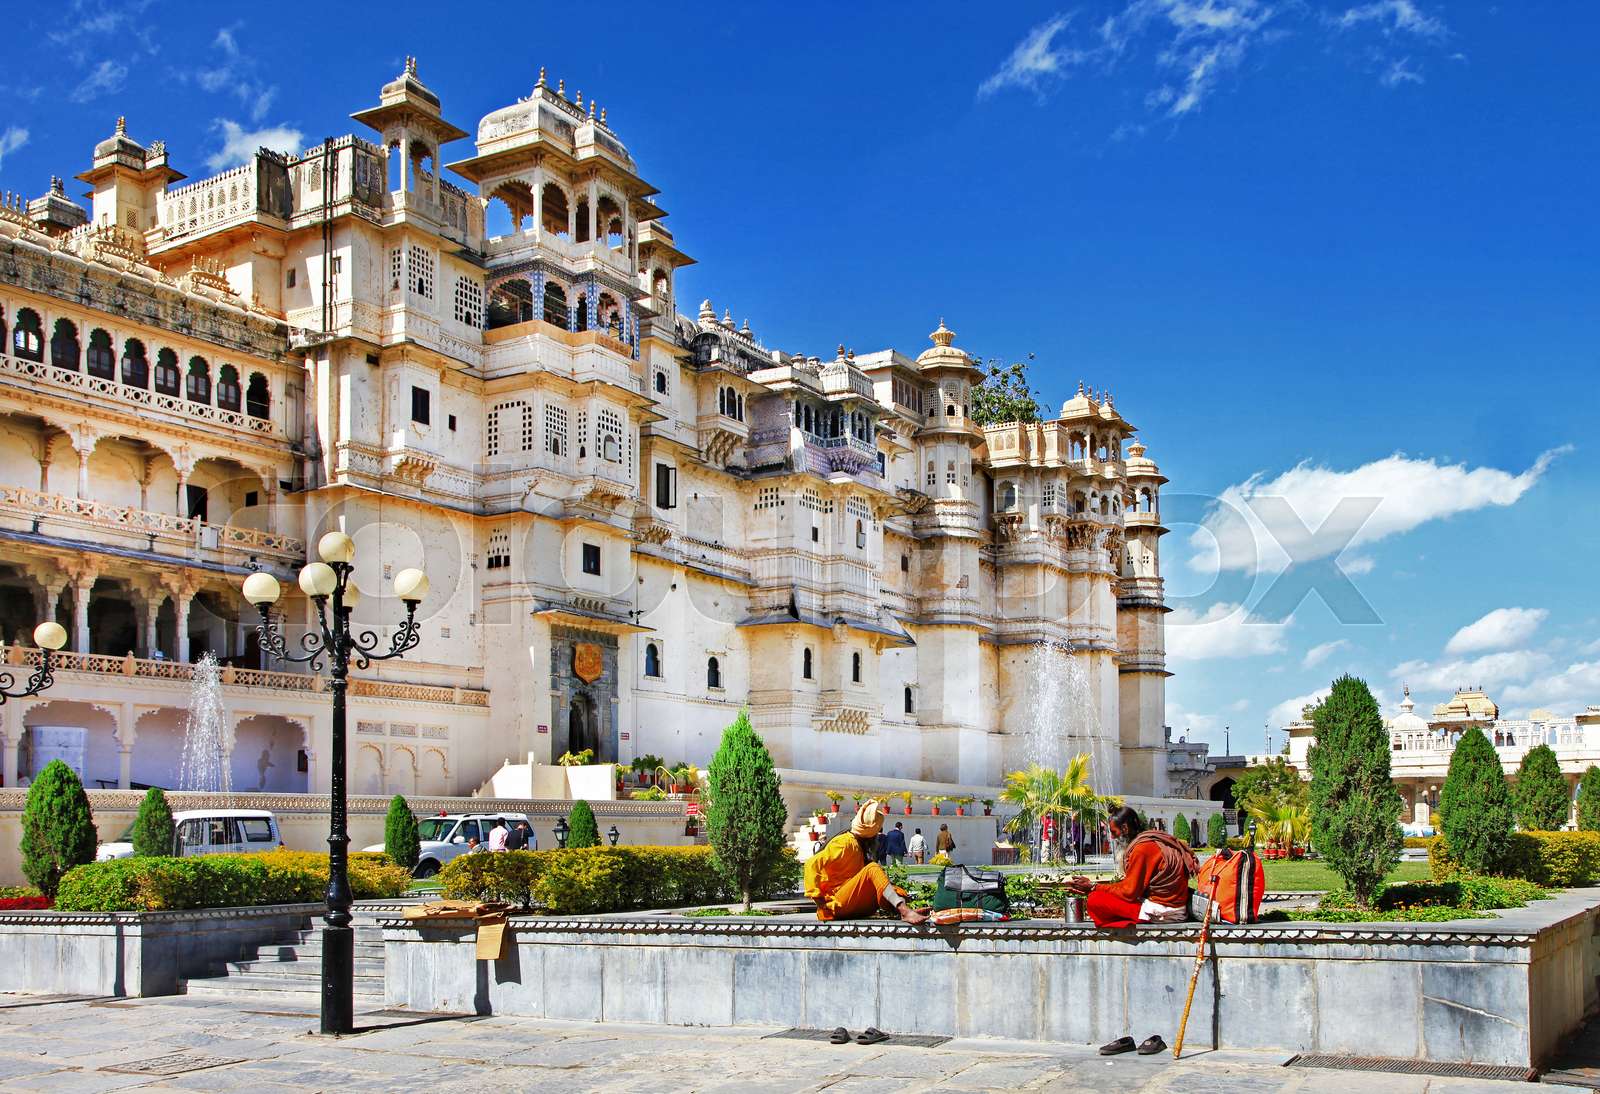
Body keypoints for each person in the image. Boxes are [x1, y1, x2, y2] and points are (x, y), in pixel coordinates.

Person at [1067, 805, 1197, 928]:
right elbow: (1131, 887)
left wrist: (1094, 887)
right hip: (1172, 907)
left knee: (1095, 900)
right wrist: (1096, 886)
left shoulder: (1142, 849)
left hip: (1163, 912)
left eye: (1114, 832)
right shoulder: (1148, 841)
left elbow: (1129, 893)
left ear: (1125, 828)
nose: (1112, 837)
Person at [803, 800, 928, 924]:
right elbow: (811, 864)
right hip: (838, 905)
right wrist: (820, 901)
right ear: (873, 835)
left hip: (853, 904)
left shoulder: (858, 845)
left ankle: (903, 910)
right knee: (872, 868)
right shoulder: (844, 842)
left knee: (894, 889)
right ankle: (904, 911)